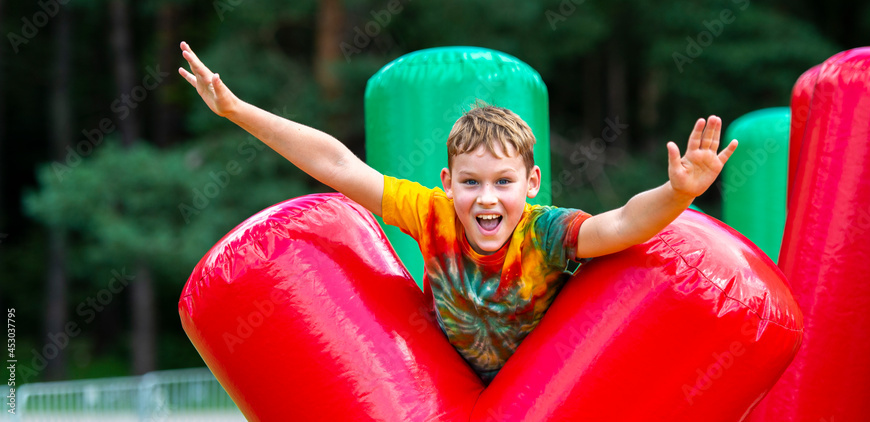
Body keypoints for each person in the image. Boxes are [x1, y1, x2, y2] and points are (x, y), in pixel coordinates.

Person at [178, 41, 738, 385]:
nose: (486, 199)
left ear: (531, 184)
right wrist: (236, 109)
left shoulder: (544, 232)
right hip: (443, 384)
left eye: (503, 182)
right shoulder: (433, 214)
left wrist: (678, 194)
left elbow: (619, 225)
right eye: (470, 183)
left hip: (538, 386)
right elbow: (338, 165)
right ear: (447, 183)